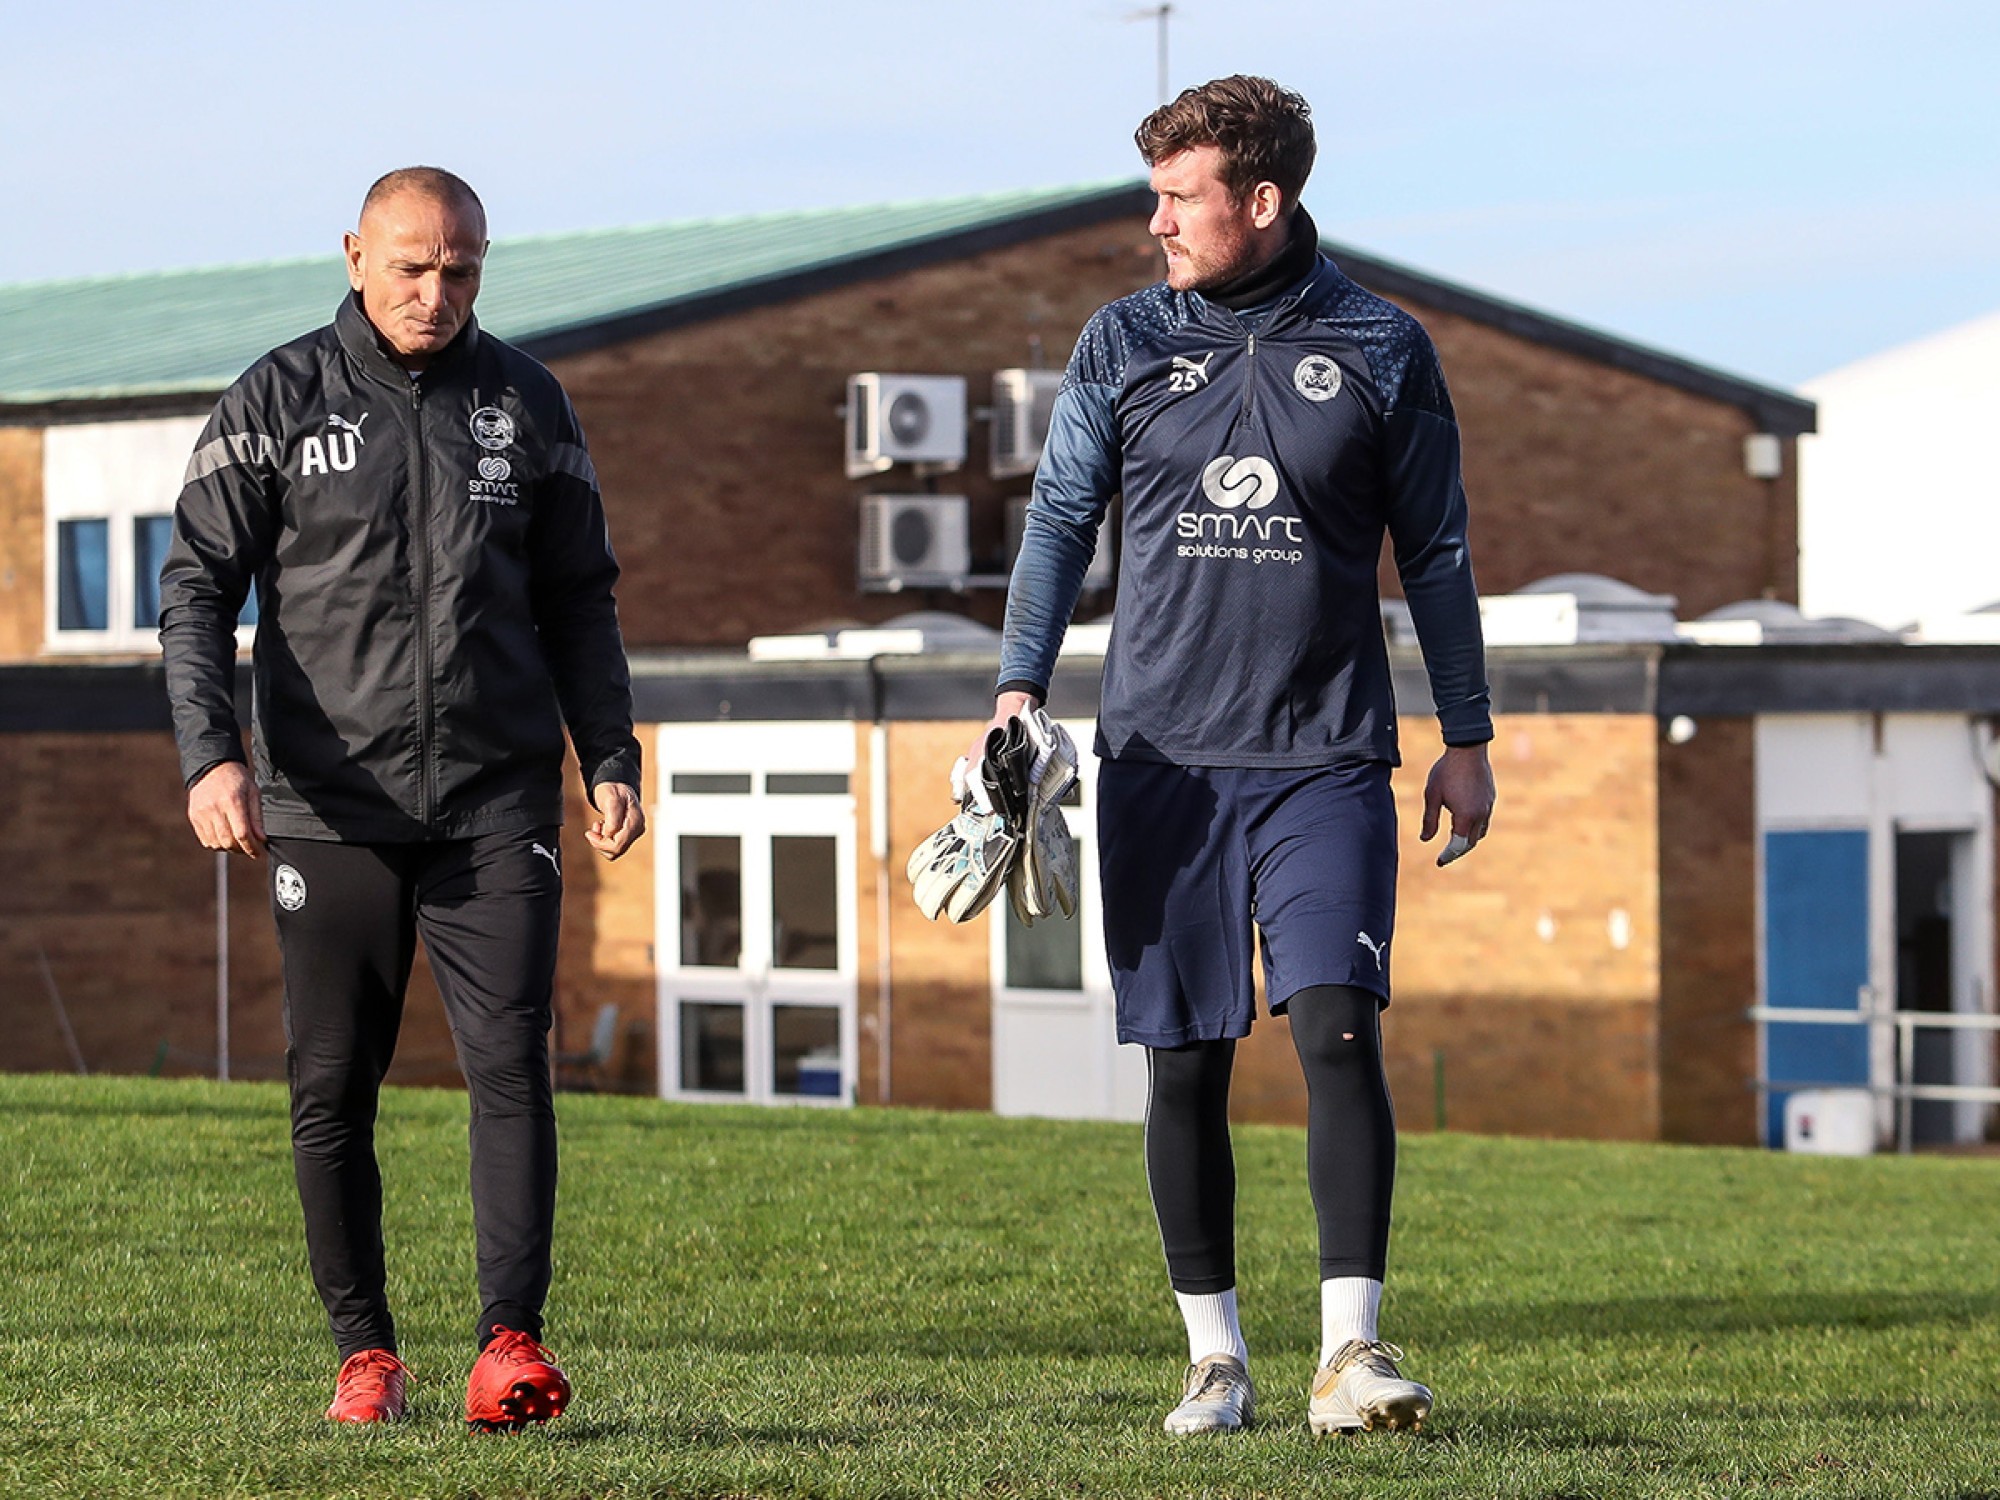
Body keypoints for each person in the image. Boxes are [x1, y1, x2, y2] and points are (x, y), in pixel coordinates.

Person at [984, 76, 1495, 1436]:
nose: (1154, 223)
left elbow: (1435, 554)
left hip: (1326, 757)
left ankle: (1352, 1355)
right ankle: (1217, 1359)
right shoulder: (1121, 343)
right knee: (1185, 1063)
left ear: (1259, 202)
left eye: (1177, 198)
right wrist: (1017, 688)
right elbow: (1056, 526)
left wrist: (1469, 738)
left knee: (1334, 1023)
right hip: (1162, 761)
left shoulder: (1384, 347)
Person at [159, 167, 645, 1429]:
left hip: (493, 804)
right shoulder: (274, 399)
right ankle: (364, 1352)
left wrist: (607, 753)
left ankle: (508, 1344)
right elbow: (197, 590)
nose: (439, 292)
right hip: (327, 807)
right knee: (333, 1086)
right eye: (415, 266)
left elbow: (578, 596)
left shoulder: (527, 404)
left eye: (464, 269)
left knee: (512, 1072)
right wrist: (211, 754)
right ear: (356, 255)